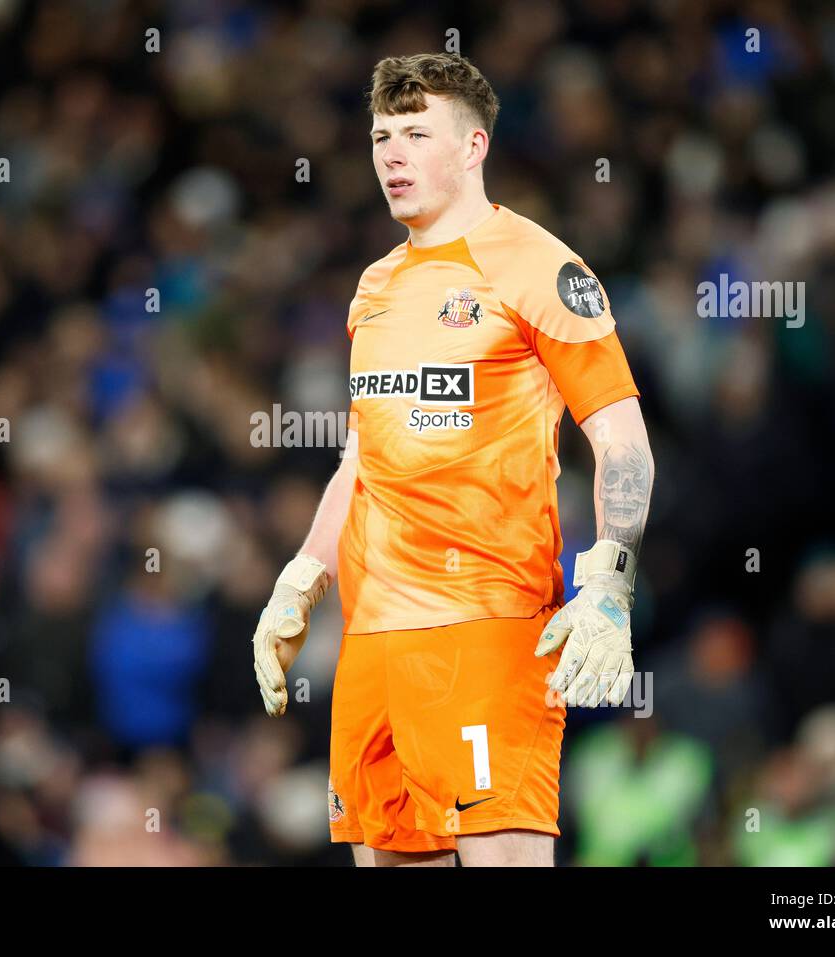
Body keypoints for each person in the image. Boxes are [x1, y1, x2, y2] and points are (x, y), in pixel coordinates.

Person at [251, 53, 655, 867]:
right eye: (381, 136)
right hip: (371, 640)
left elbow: (623, 441)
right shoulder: (375, 287)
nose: (391, 155)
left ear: (473, 148)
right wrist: (300, 579)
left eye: (416, 134)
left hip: (486, 629)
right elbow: (361, 458)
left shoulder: (541, 266)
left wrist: (609, 582)